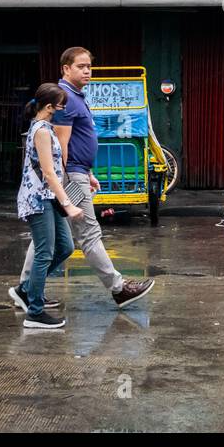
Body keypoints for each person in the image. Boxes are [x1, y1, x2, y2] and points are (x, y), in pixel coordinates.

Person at [14, 47, 154, 310]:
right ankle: (118, 288)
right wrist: (68, 188)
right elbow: (61, 147)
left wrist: (88, 172)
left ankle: (25, 288)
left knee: (48, 238)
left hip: (77, 173)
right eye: (81, 66)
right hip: (68, 176)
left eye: (89, 66)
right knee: (89, 233)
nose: (87, 71)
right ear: (66, 69)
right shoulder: (63, 99)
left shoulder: (76, 97)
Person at [10, 84, 84, 330]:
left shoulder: (47, 129)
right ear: (50, 106)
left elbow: (57, 170)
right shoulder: (41, 131)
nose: (64, 108)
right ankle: (35, 312)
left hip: (49, 196)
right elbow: (49, 173)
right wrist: (68, 204)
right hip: (38, 198)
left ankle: (25, 289)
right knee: (44, 252)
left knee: (65, 247)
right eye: (62, 104)